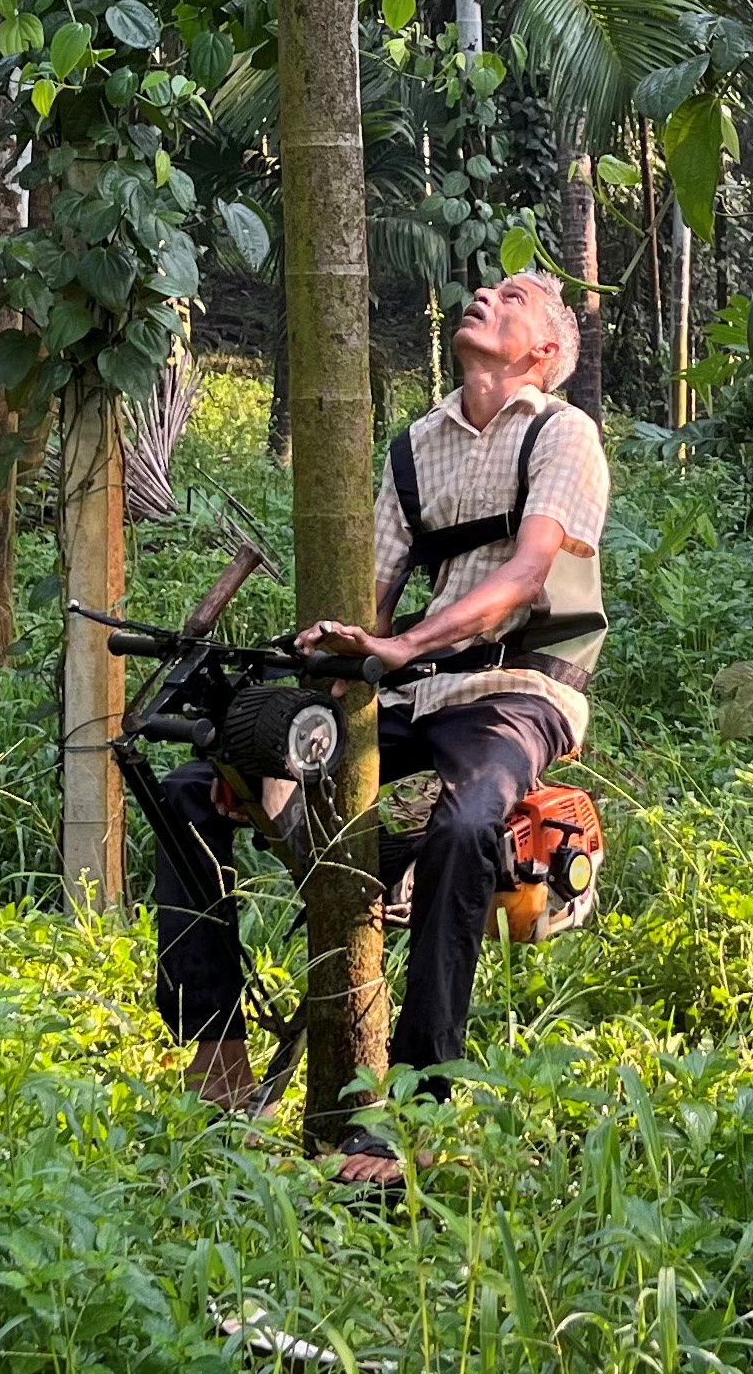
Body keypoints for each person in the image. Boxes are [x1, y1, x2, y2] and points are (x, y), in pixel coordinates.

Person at [152, 270, 610, 1185]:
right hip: (403, 692)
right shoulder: (415, 446)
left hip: (515, 689)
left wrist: (405, 647)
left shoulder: (564, 433)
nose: (486, 294)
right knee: (191, 792)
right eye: (483, 289)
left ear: (546, 352)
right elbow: (371, 596)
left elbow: (524, 575)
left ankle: (412, 1106)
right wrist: (325, 642)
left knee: (471, 818)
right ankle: (216, 1060)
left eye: (512, 296)